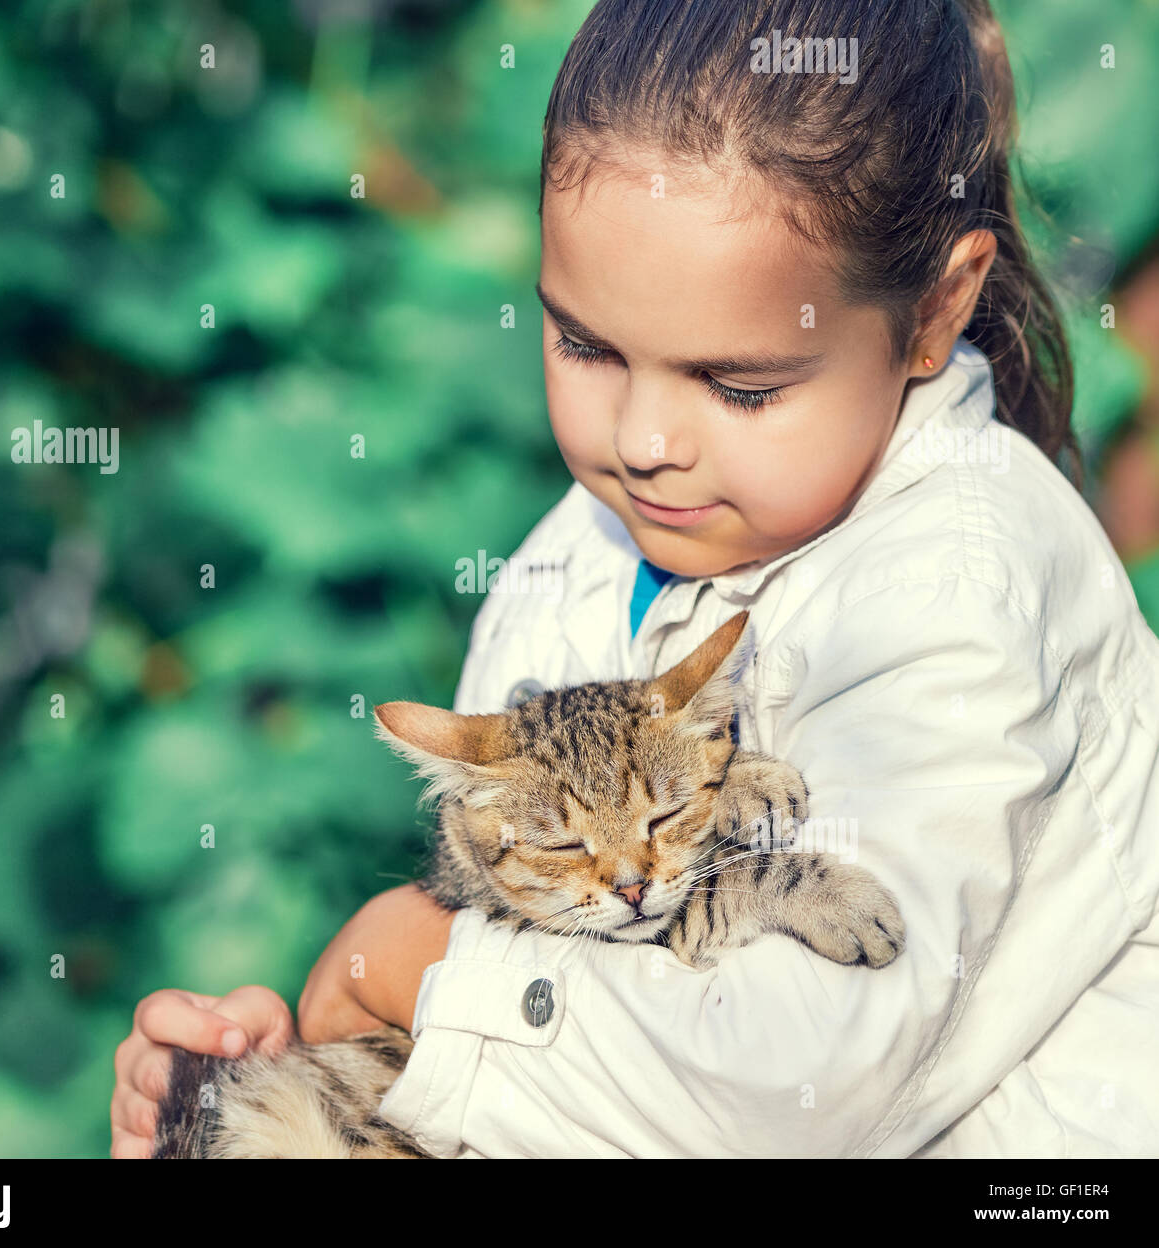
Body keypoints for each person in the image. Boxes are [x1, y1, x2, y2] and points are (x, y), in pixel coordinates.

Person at [111, 0, 1159, 1158]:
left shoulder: (964, 588)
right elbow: (544, 1046)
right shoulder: (581, 548)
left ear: (936, 310)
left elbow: (782, 1090)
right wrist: (305, 1096)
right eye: (587, 347)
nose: (646, 439)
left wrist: (409, 966)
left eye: (741, 385)